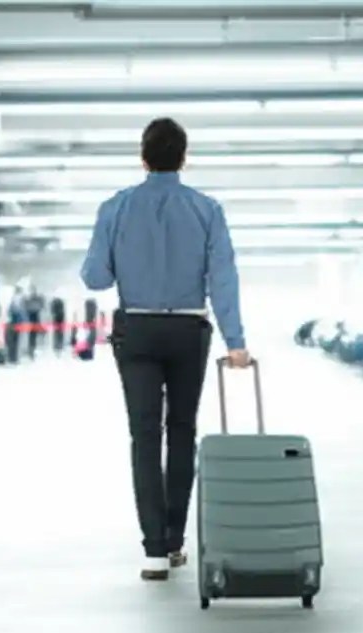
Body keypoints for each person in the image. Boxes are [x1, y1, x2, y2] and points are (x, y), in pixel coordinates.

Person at [81, 117, 249, 581]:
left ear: (143, 157)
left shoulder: (115, 207)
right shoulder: (207, 209)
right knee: (181, 431)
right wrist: (236, 343)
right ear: (184, 157)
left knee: (144, 435)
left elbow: (96, 278)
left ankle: (153, 550)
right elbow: (223, 280)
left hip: (135, 329)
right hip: (187, 331)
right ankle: (176, 542)